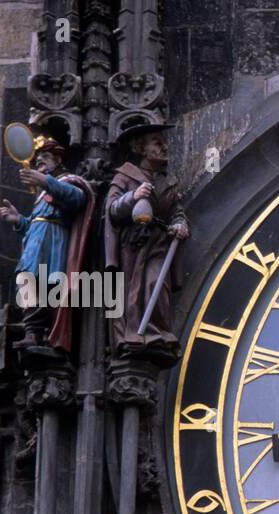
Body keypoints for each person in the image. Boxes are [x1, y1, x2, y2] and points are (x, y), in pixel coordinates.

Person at [0, 138, 94, 353]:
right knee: (27, 283)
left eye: (45, 160)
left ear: (57, 160)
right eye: (37, 162)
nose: (39, 164)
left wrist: (46, 181)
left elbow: (77, 199)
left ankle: (43, 332)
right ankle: (32, 333)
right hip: (35, 243)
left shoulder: (69, 181)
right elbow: (34, 224)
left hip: (53, 242)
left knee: (44, 284)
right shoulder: (41, 195)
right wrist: (18, 220)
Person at [105, 123, 189, 364]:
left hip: (159, 244)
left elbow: (177, 212)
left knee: (156, 283)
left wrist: (181, 225)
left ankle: (157, 333)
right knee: (135, 289)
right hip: (133, 247)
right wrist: (133, 196)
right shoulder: (126, 176)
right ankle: (134, 334)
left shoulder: (167, 182)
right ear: (141, 148)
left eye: (163, 141)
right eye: (156, 142)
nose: (164, 146)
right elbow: (111, 210)